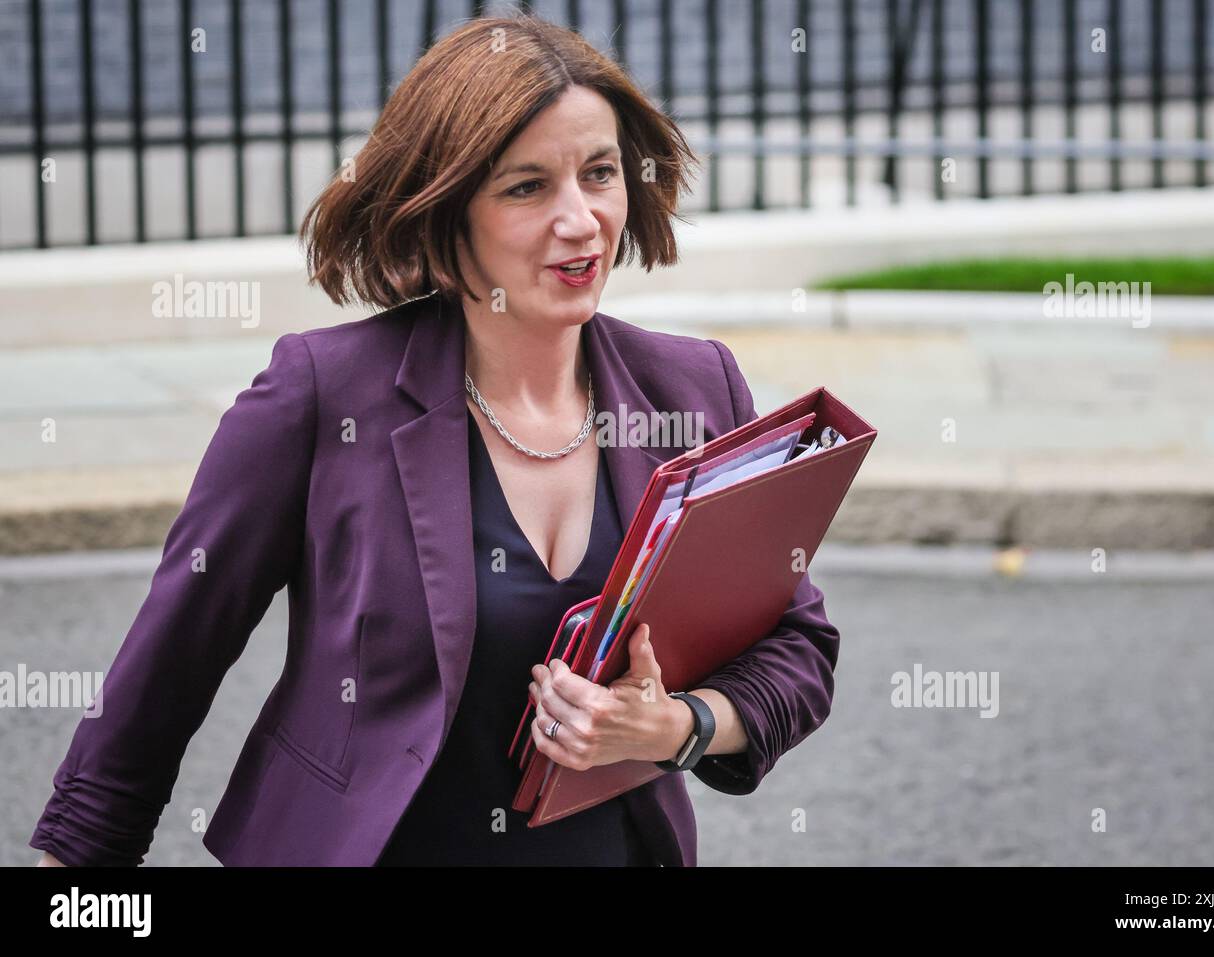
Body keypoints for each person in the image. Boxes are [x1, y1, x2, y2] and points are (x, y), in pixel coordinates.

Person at [31, 12, 840, 867]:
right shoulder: (319, 395)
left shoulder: (692, 386)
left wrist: (675, 724)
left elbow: (797, 644)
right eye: (526, 187)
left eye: (599, 174)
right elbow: (168, 665)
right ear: (445, 211)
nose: (581, 221)